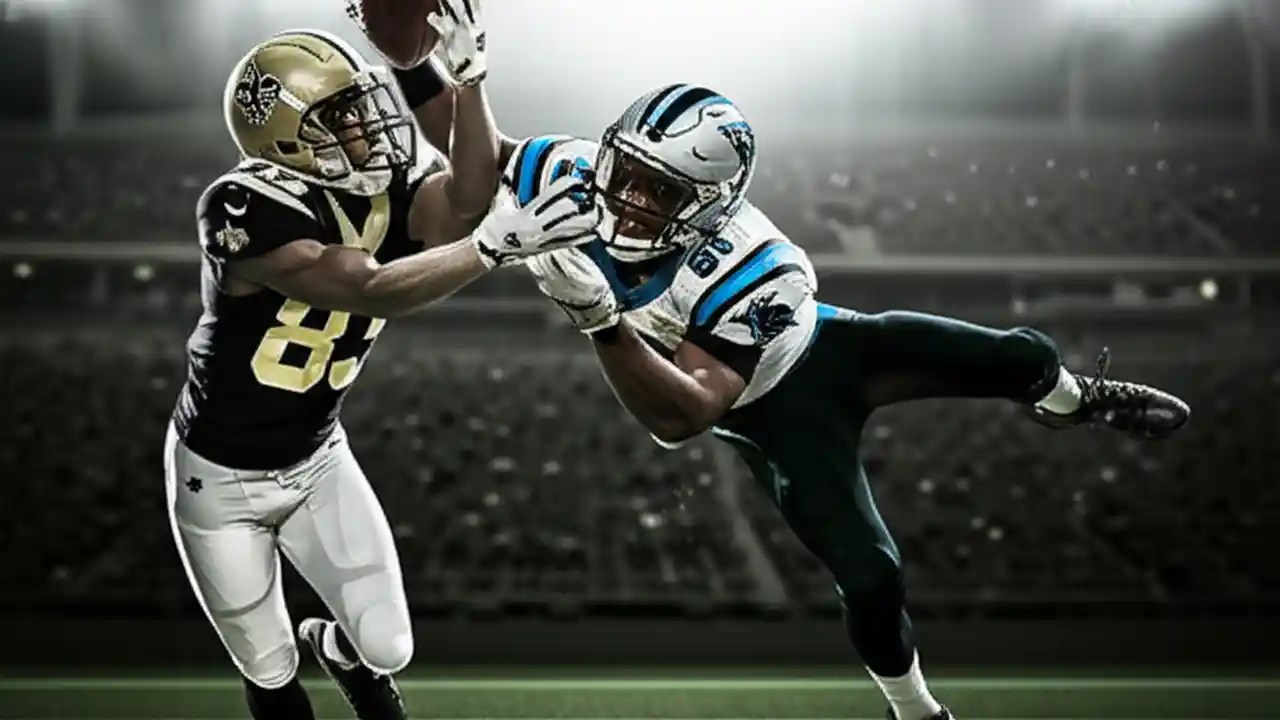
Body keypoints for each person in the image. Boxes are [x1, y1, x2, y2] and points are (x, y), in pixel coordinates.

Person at [520, 84, 1191, 720]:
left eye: (662, 188)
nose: (633, 201)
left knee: (1025, 356)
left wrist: (600, 318)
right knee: (872, 578)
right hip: (771, 419)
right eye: (631, 177)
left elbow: (691, 402)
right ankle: (916, 711)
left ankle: (1075, 400)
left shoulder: (755, 261)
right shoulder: (563, 182)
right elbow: (478, 176)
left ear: (710, 201)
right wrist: (464, 79)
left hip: (828, 350)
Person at [164, 5, 596, 718]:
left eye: (362, 106)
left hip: (317, 457)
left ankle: (342, 655)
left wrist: (470, 81)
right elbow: (368, 288)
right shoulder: (243, 204)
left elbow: (468, 198)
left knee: (388, 645)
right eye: (341, 116)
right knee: (269, 667)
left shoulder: (385, 187)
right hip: (220, 478)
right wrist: (492, 248)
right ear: (285, 136)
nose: (367, 125)